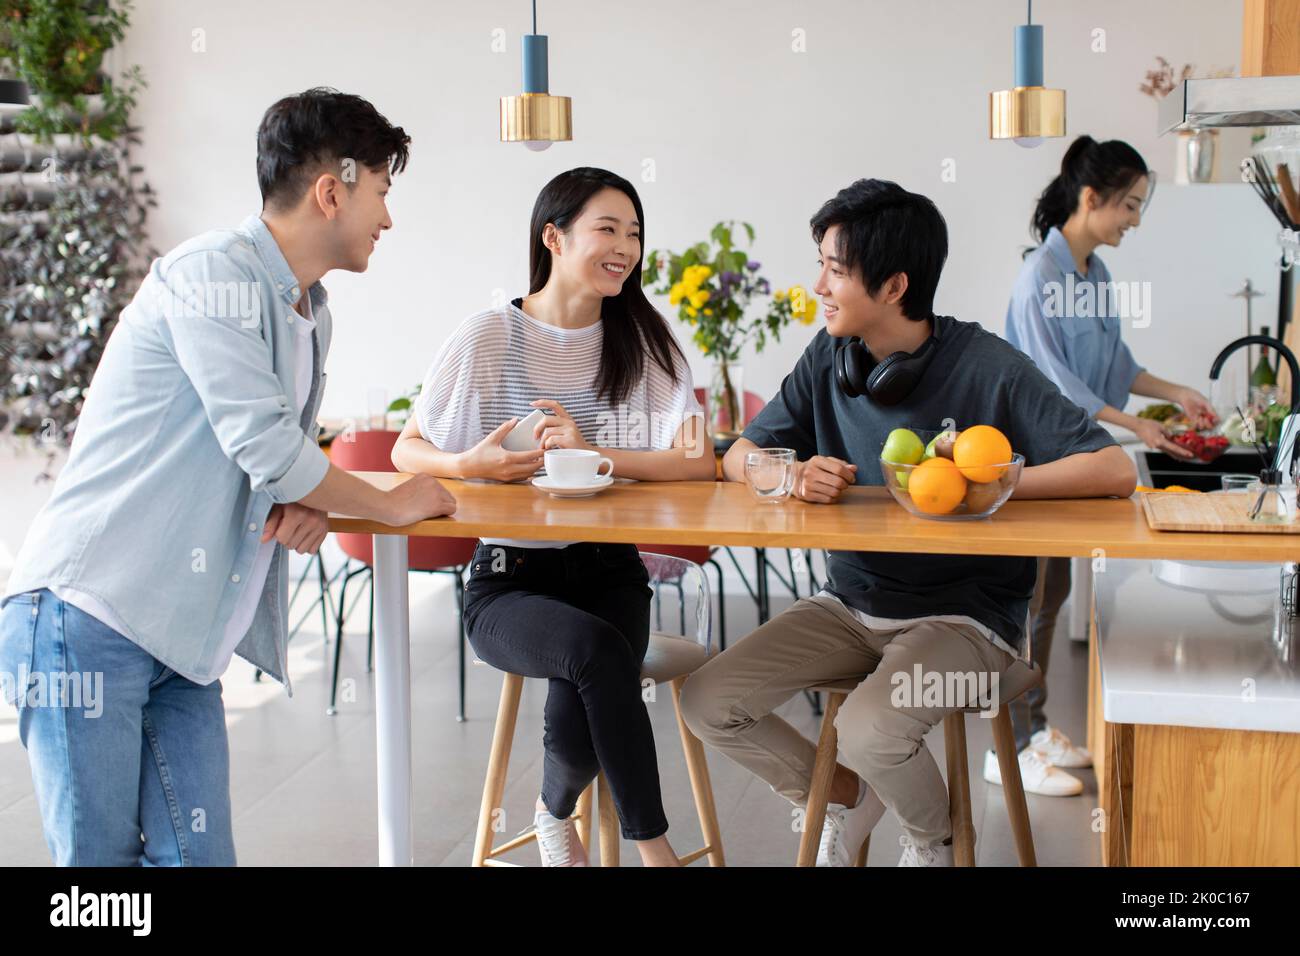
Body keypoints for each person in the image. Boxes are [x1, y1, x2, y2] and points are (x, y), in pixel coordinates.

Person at [0, 88, 456, 866]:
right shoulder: (211, 274)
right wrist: (387, 499)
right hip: (89, 617)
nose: (387, 218)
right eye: (381, 192)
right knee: (98, 879)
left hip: (188, 641)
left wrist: (311, 500)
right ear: (331, 190)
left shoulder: (311, 309)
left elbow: (278, 464)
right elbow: (272, 450)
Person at [680, 178, 1136, 866]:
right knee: (708, 698)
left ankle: (937, 839)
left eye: (835, 269)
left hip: (969, 619)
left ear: (893, 286)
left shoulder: (988, 366)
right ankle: (843, 797)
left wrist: (986, 484)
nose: (819, 286)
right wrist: (790, 473)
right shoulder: (825, 359)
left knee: (867, 728)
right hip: (851, 604)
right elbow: (740, 452)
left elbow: (1112, 470)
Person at [391, 167, 712, 867]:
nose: (625, 246)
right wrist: (470, 465)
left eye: (634, 233)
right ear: (553, 237)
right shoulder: (488, 335)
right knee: (598, 657)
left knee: (583, 706)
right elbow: (405, 449)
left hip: (610, 571)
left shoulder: (642, 342)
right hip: (511, 580)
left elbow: (696, 463)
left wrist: (595, 451)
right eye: (607, 228)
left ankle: (552, 809)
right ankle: (657, 853)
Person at [1000, 135, 1216, 795]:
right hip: (1033, 461)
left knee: (1055, 594)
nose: (1135, 220)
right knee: (1026, 602)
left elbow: (1118, 368)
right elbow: (1057, 386)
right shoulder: (1040, 275)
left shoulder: (1096, 274)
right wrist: (1135, 427)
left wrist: (1175, 393)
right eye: (1129, 205)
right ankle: (1006, 749)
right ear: (1091, 198)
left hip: (1074, 460)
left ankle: (1033, 729)